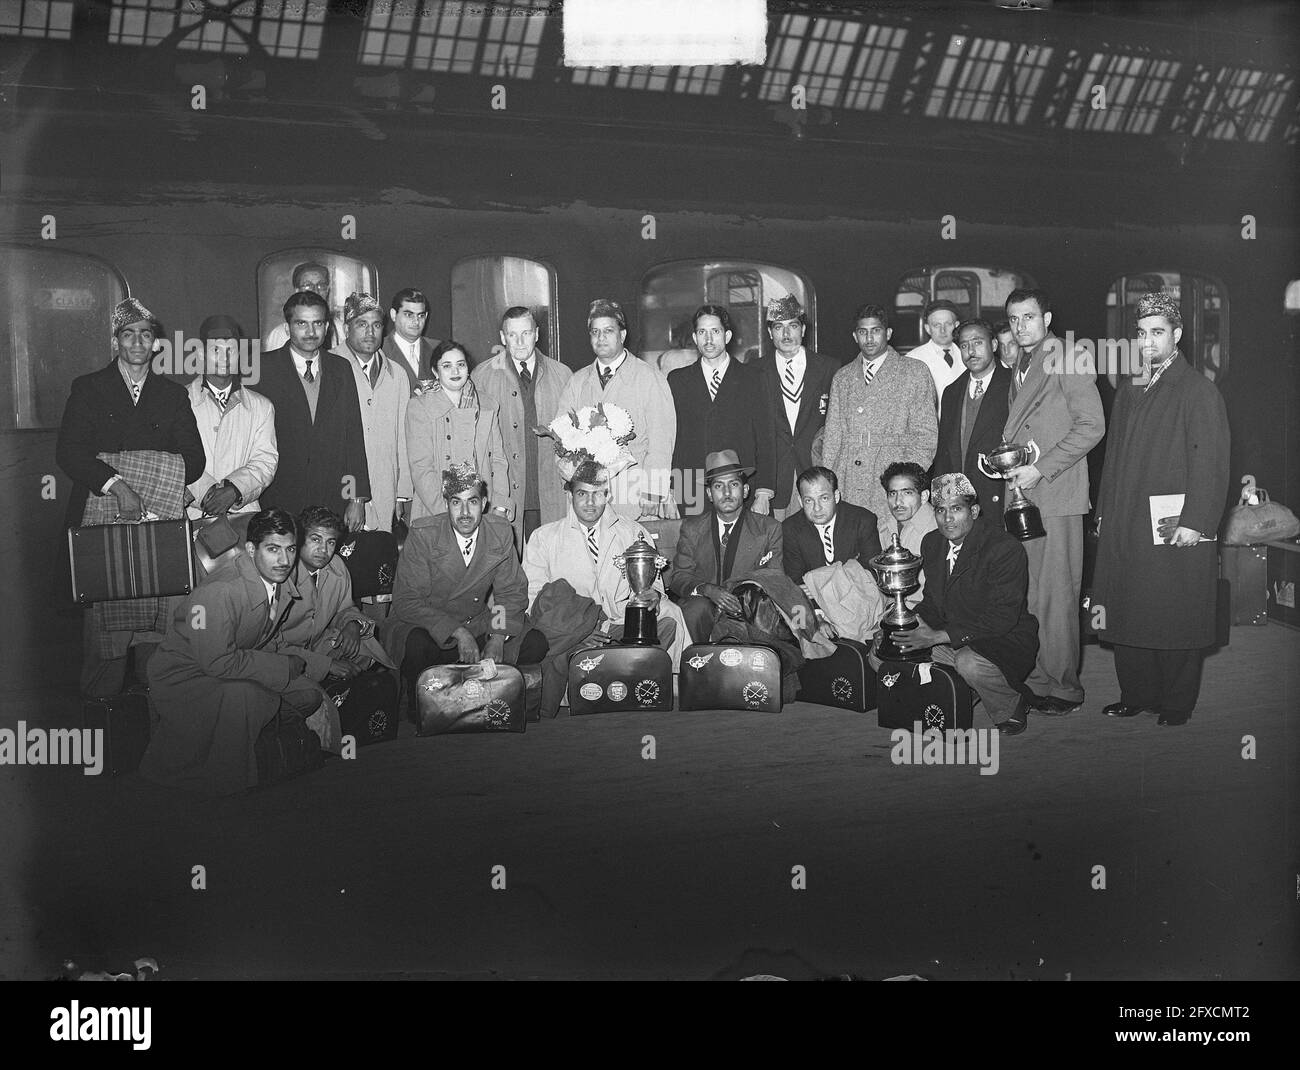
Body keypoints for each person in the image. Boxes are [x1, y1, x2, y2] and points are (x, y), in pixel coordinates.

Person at [1092, 292, 1230, 726]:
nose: (1148, 342)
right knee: (1130, 605)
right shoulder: (1132, 387)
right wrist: (1103, 510)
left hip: (1173, 521)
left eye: (1157, 333)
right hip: (1127, 518)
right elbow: (1113, 456)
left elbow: (1212, 463)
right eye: (1142, 333)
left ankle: (1176, 702)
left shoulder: (1198, 390)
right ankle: (1136, 693)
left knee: (1176, 610)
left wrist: (1197, 522)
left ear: (1177, 335)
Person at [56, 298, 206, 697]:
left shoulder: (173, 396)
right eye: (128, 334)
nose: (138, 341)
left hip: (157, 528)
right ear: (116, 341)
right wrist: (117, 485)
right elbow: (69, 452)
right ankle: (102, 745)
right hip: (102, 525)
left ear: (156, 343)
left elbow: (193, 461)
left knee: (156, 643)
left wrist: (134, 480)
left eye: (145, 334)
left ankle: (154, 744)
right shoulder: (89, 388)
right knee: (104, 644)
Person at [139, 508, 330, 795]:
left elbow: (267, 640)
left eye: (290, 549)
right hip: (186, 678)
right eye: (273, 549)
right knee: (251, 697)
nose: (284, 560)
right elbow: (216, 661)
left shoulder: (276, 582)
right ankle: (226, 781)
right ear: (251, 549)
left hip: (228, 667)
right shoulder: (219, 592)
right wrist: (280, 667)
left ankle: (256, 746)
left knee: (308, 695)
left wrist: (310, 664)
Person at [1002, 287, 1105, 715]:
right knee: (1033, 593)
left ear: (1047, 317)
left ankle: (1064, 687)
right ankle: (1041, 677)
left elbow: (1092, 426)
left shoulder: (1069, 354)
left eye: (1028, 318)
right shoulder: (1022, 363)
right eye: (1013, 320)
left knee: (1059, 594)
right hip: (1027, 493)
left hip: (1056, 494)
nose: (1020, 326)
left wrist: (1041, 469)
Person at [886, 473, 1039, 736]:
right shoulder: (932, 542)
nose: (947, 519)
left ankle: (1011, 704)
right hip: (953, 633)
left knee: (969, 662)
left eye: (956, 509)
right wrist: (909, 623)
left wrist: (937, 637)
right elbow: (933, 601)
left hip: (1003, 638)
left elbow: (1002, 618)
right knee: (892, 649)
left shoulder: (1003, 547)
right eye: (941, 510)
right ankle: (963, 691)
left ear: (975, 511)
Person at [382, 464, 533, 702]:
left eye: (472, 502)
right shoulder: (424, 534)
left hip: (476, 621)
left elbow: (511, 593)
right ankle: (424, 706)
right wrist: (458, 632)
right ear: (446, 505)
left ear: (484, 504)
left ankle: (493, 702)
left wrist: (496, 637)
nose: (464, 512)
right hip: (426, 623)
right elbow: (407, 601)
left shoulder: (500, 532)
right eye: (456, 502)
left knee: (534, 642)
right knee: (419, 647)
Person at [524, 458, 688, 667]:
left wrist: (654, 594)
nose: (590, 503)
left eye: (597, 494)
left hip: (624, 619)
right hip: (573, 625)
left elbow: (652, 579)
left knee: (670, 611)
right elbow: (533, 596)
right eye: (582, 494)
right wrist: (575, 631)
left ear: (607, 495)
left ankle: (670, 684)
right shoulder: (544, 537)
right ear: (570, 496)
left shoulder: (633, 531)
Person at [256, 290, 371, 530]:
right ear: (287, 328)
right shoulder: (263, 369)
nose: (310, 332)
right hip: (279, 497)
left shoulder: (341, 369)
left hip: (330, 497)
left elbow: (353, 437)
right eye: (301, 323)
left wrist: (356, 498)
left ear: (327, 327)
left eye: (317, 323)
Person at [554, 298, 676, 521]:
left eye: (608, 331)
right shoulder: (577, 382)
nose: (601, 338)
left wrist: (654, 490)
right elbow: (560, 440)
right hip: (587, 503)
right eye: (595, 332)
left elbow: (662, 441)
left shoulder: (648, 378)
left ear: (622, 335)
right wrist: (570, 475)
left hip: (634, 498)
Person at [471, 305, 574, 548]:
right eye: (512, 335)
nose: (519, 342)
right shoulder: (482, 376)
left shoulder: (563, 374)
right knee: (506, 564)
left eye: (526, 333)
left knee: (552, 560)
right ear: (502, 337)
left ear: (537, 334)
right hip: (504, 490)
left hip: (550, 489)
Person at [823, 303, 937, 522]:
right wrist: (828, 481)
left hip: (891, 479)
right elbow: (833, 436)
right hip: (848, 478)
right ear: (855, 336)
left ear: (889, 333)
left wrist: (905, 482)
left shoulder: (914, 372)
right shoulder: (843, 377)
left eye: (875, 331)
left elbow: (926, 435)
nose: (869, 338)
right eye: (863, 332)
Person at [668, 304, 776, 518]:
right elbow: (672, 440)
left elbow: (766, 438)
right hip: (690, 488)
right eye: (702, 332)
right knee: (694, 549)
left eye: (715, 332)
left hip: (741, 489)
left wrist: (763, 492)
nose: (708, 339)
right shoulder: (678, 381)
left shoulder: (753, 378)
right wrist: (671, 490)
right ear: (694, 337)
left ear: (727, 336)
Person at [669, 450, 784, 645]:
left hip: (749, 610)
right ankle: (694, 667)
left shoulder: (769, 528)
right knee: (695, 609)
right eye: (718, 486)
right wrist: (707, 589)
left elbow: (775, 579)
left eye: (734, 484)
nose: (727, 493)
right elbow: (679, 577)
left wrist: (743, 598)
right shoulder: (692, 528)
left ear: (746, 490)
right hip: (705, 608)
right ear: (709, 494)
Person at [279, 506, 393, 684]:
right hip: (283, 655)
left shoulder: (336, 566)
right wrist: (326, 665)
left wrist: (353, 624)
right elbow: (270, 644)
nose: (323, 549)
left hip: (318, 644)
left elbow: (344, 607)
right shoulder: (281, 573)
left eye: (330, 542)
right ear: (298, 539)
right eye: (315, 539)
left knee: (361, 648)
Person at [406, 339, 513, 525]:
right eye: (446, 366)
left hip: (483, 509)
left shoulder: (487, 405)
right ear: (435, 371)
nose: (455, 372)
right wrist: (448, 512)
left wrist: (501, 507)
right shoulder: (420, 407)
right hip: (437, 512)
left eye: (460, 365)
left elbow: (498, 460)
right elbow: (421, 468)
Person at [184, 314, 278, 525]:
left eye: (231, 350)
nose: (224, 357)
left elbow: (265, 460)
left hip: (244, 515)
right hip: (194, 515)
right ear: (200, 354)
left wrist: (234, 490)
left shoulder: (262, 407)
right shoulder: (179, 401)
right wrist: (207, 492)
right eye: (215, 350)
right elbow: (175, 457)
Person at [756, 295, 839, 519]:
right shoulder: (754, 371)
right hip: (773, 479)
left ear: (803, 329)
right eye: (778, 327)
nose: (786, 334)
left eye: (792, 326)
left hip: (815, 473)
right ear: (770, 332)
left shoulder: (829, 368)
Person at [339, 293, 412, 533]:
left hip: (384, 490)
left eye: (376, 325)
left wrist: (400, 495)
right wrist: (354, 497)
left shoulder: (397, 374)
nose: (370, 332)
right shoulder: (330, 367)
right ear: (346, 328)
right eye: (361, 324)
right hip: (340, 491)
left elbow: (403, 437)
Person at [935, 318, 1013, 518]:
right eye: (964, 345)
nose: (971, 351)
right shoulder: (952, 392)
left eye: (978, 342)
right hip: (961, 503)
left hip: (1001, 497)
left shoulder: (1014, 385)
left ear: (994, 345)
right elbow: (944, 451)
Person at [782, 465, 881, 584]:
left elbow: (871, 572)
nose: (816, 508)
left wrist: (819, 586)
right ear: (800, 502)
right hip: (811, 601)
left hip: (856, 595)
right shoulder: (790, 528)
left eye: (824, 498)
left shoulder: (863, 520)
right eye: (809, 500)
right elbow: (795, 579)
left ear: (836, 496)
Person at [877, 462, 938, 596]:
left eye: (907, 492)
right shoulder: (885, 529)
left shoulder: (937, 528)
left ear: (923, 496)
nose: (898, 502)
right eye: (893, 493)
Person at [263, 261, 345, 353]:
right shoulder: (280, 334)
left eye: (321, 286)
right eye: (307, 285)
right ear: (297, 290)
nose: (315, 291)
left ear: (327, 291)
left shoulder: (340, 329)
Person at [907, 298, 966, 402]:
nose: (943, 330)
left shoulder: (967, 355)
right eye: (936, 325)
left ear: (956, 326)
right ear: (927, 328)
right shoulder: (912, 359)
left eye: (948, 324)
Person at [383, 287, 438, 393]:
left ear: (426, 316)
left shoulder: (439, 350)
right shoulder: (379, 352)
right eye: (409, 315)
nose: (416, 321)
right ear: (393, 315)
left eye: (420, 315)